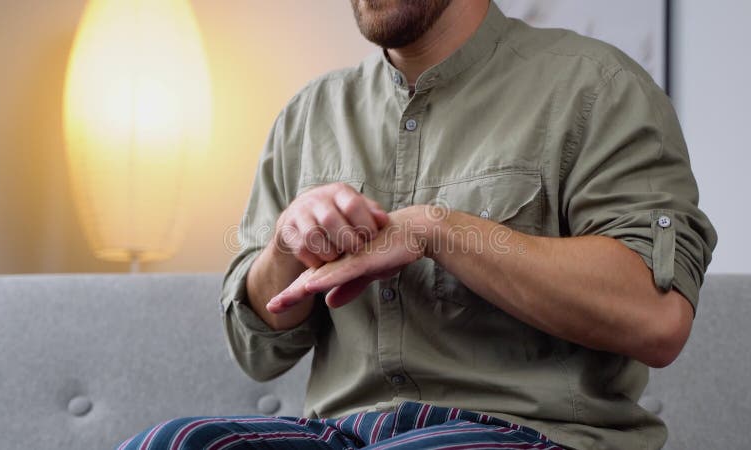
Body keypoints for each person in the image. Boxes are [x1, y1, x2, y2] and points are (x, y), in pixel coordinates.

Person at [118, 1, 717, 449]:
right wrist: (286, 245)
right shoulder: (308, 115)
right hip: (337, 435)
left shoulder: (598, 88)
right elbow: (258, 351)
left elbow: (655, 317)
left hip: (530, 434)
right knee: (172, 442)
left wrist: (435, 229)